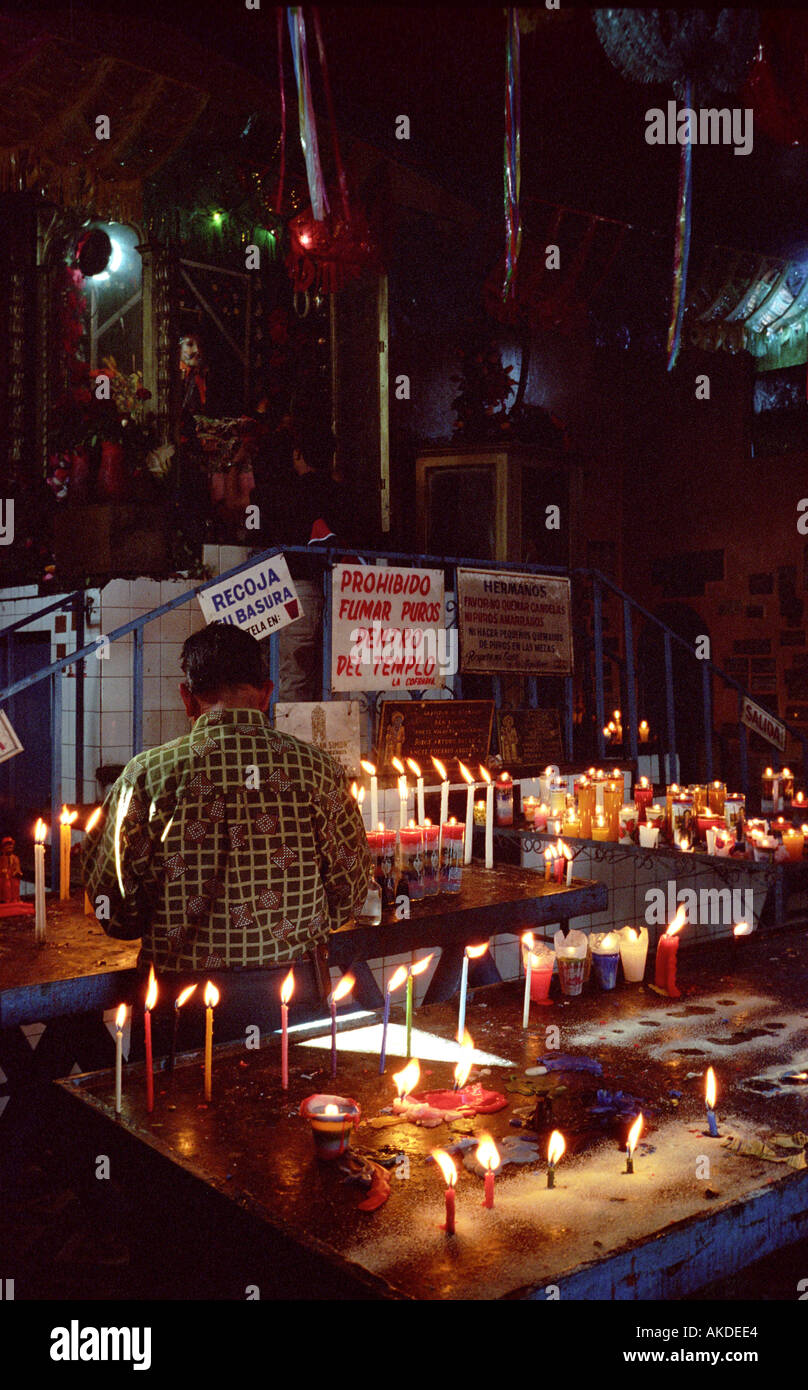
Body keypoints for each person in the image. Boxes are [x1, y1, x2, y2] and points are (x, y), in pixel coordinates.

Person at [82, 624, 371, 1039]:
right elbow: (350, 889)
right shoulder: (318, 771)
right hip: (294, 995)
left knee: (173, 1102)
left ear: (187, 696)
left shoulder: (145, 775)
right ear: (267, 692)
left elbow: (114, 905)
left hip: (180, 1001)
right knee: (292, 1100)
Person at [267, 416, 347, 702]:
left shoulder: (289, 493)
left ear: (298, 454)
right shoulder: (343, 494)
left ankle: (289, 744)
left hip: (298, 590)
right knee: (336, 677)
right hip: (342, 593)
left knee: (294, 676)